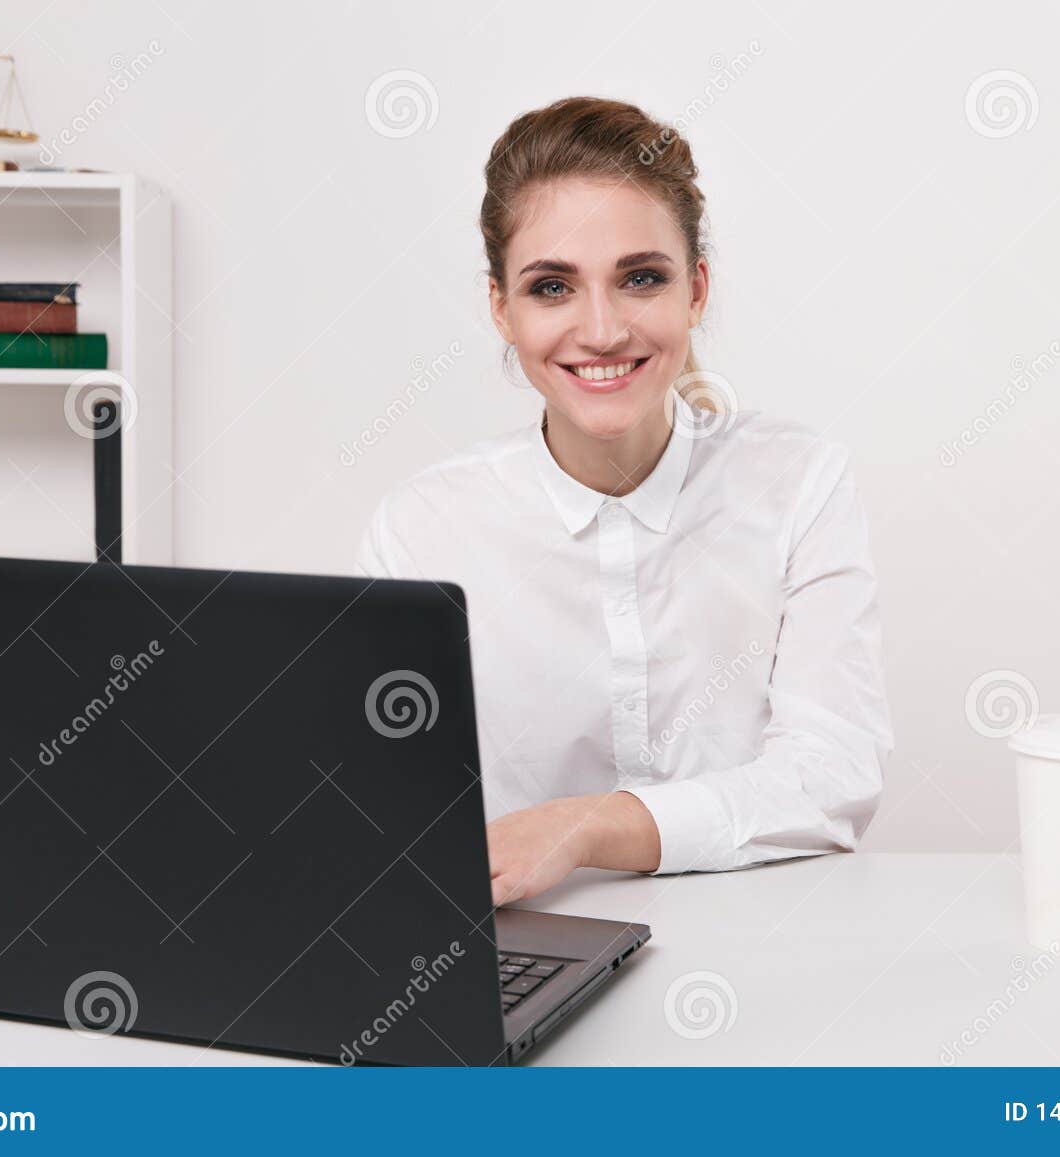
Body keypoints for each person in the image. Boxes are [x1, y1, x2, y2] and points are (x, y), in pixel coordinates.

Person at [355, 96, 893, 906]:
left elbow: (834, 772)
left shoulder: (799, 484)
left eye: (641, 278)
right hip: (517, 945)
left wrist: (588, 827)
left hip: (763, 938)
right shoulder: (420, 531)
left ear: (696, 290)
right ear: (501, 306)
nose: (601, 330)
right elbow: (385, 802)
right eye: (552, 287)